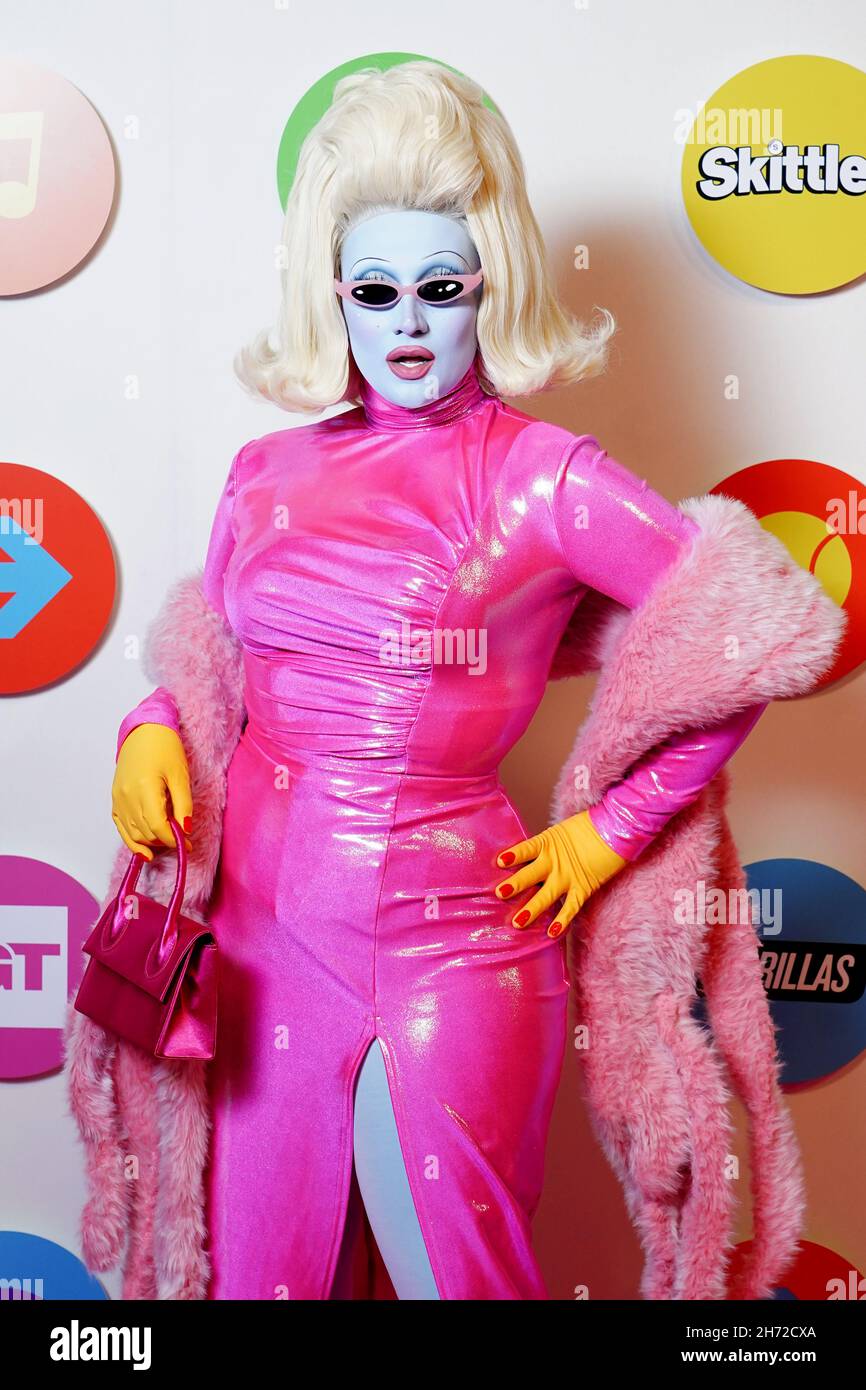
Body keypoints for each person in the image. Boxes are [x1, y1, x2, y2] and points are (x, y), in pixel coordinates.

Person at [105, 62, 812, 1301]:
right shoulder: (263, 470)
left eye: (441, 287)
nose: (410, 325)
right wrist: (150, 726)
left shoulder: (546, 476)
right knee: (254, 1285)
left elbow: (743, 631)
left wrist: (610, 833)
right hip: (259, 948)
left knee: (462, 1285)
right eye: (375, 292)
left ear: (491, 280)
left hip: (455, 948)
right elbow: (214, 654)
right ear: (333, 296)